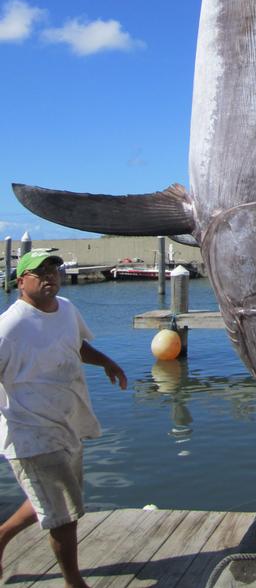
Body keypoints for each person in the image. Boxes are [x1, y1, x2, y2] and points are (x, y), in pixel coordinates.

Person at [0, 249, 127, 587]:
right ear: (20, 280)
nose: (49, 276)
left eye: (54, 269)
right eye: (39, 271)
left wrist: (108, 363)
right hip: (31, 432)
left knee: (57, 500)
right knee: (65, 516)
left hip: (68, 424)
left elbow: (77, 346)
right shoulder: (8, 327)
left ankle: (1, 536)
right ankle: (74, 581)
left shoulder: (68, 309)